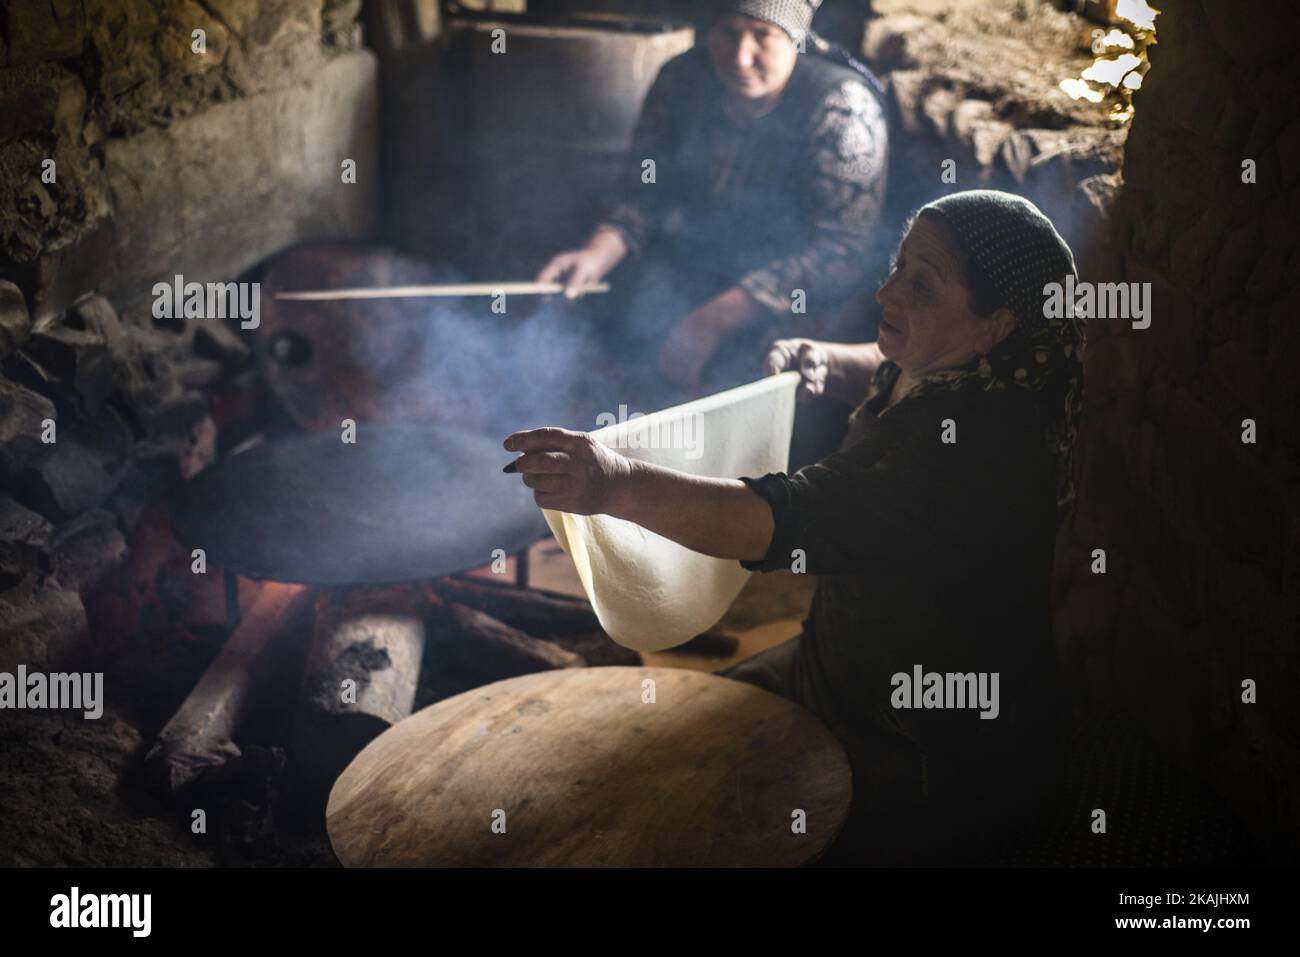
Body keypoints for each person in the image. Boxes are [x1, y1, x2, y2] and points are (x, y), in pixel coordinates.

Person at [504, 190, 1084, 866]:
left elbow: (775, 520)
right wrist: (830, 362)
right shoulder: (977, 365)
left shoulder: (963, 454)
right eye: (898, 265)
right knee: (679, 750)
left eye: (920, 283)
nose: (886, 290)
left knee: (706, 823)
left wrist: (616, 483)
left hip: (926, 746)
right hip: (837, 666)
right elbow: (896, 368)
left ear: (994, 326)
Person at [536, 0, 889, 405]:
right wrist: (596, 254)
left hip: (794, 300)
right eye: (728, 32)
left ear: (795, 39)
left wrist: (713, 320)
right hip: (694, 267)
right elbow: (644, 189)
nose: (740, 56)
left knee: (746, 384)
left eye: (763, 36)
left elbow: (844, 251)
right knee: (589, 336)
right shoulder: (681, 79)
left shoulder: (843, 104)